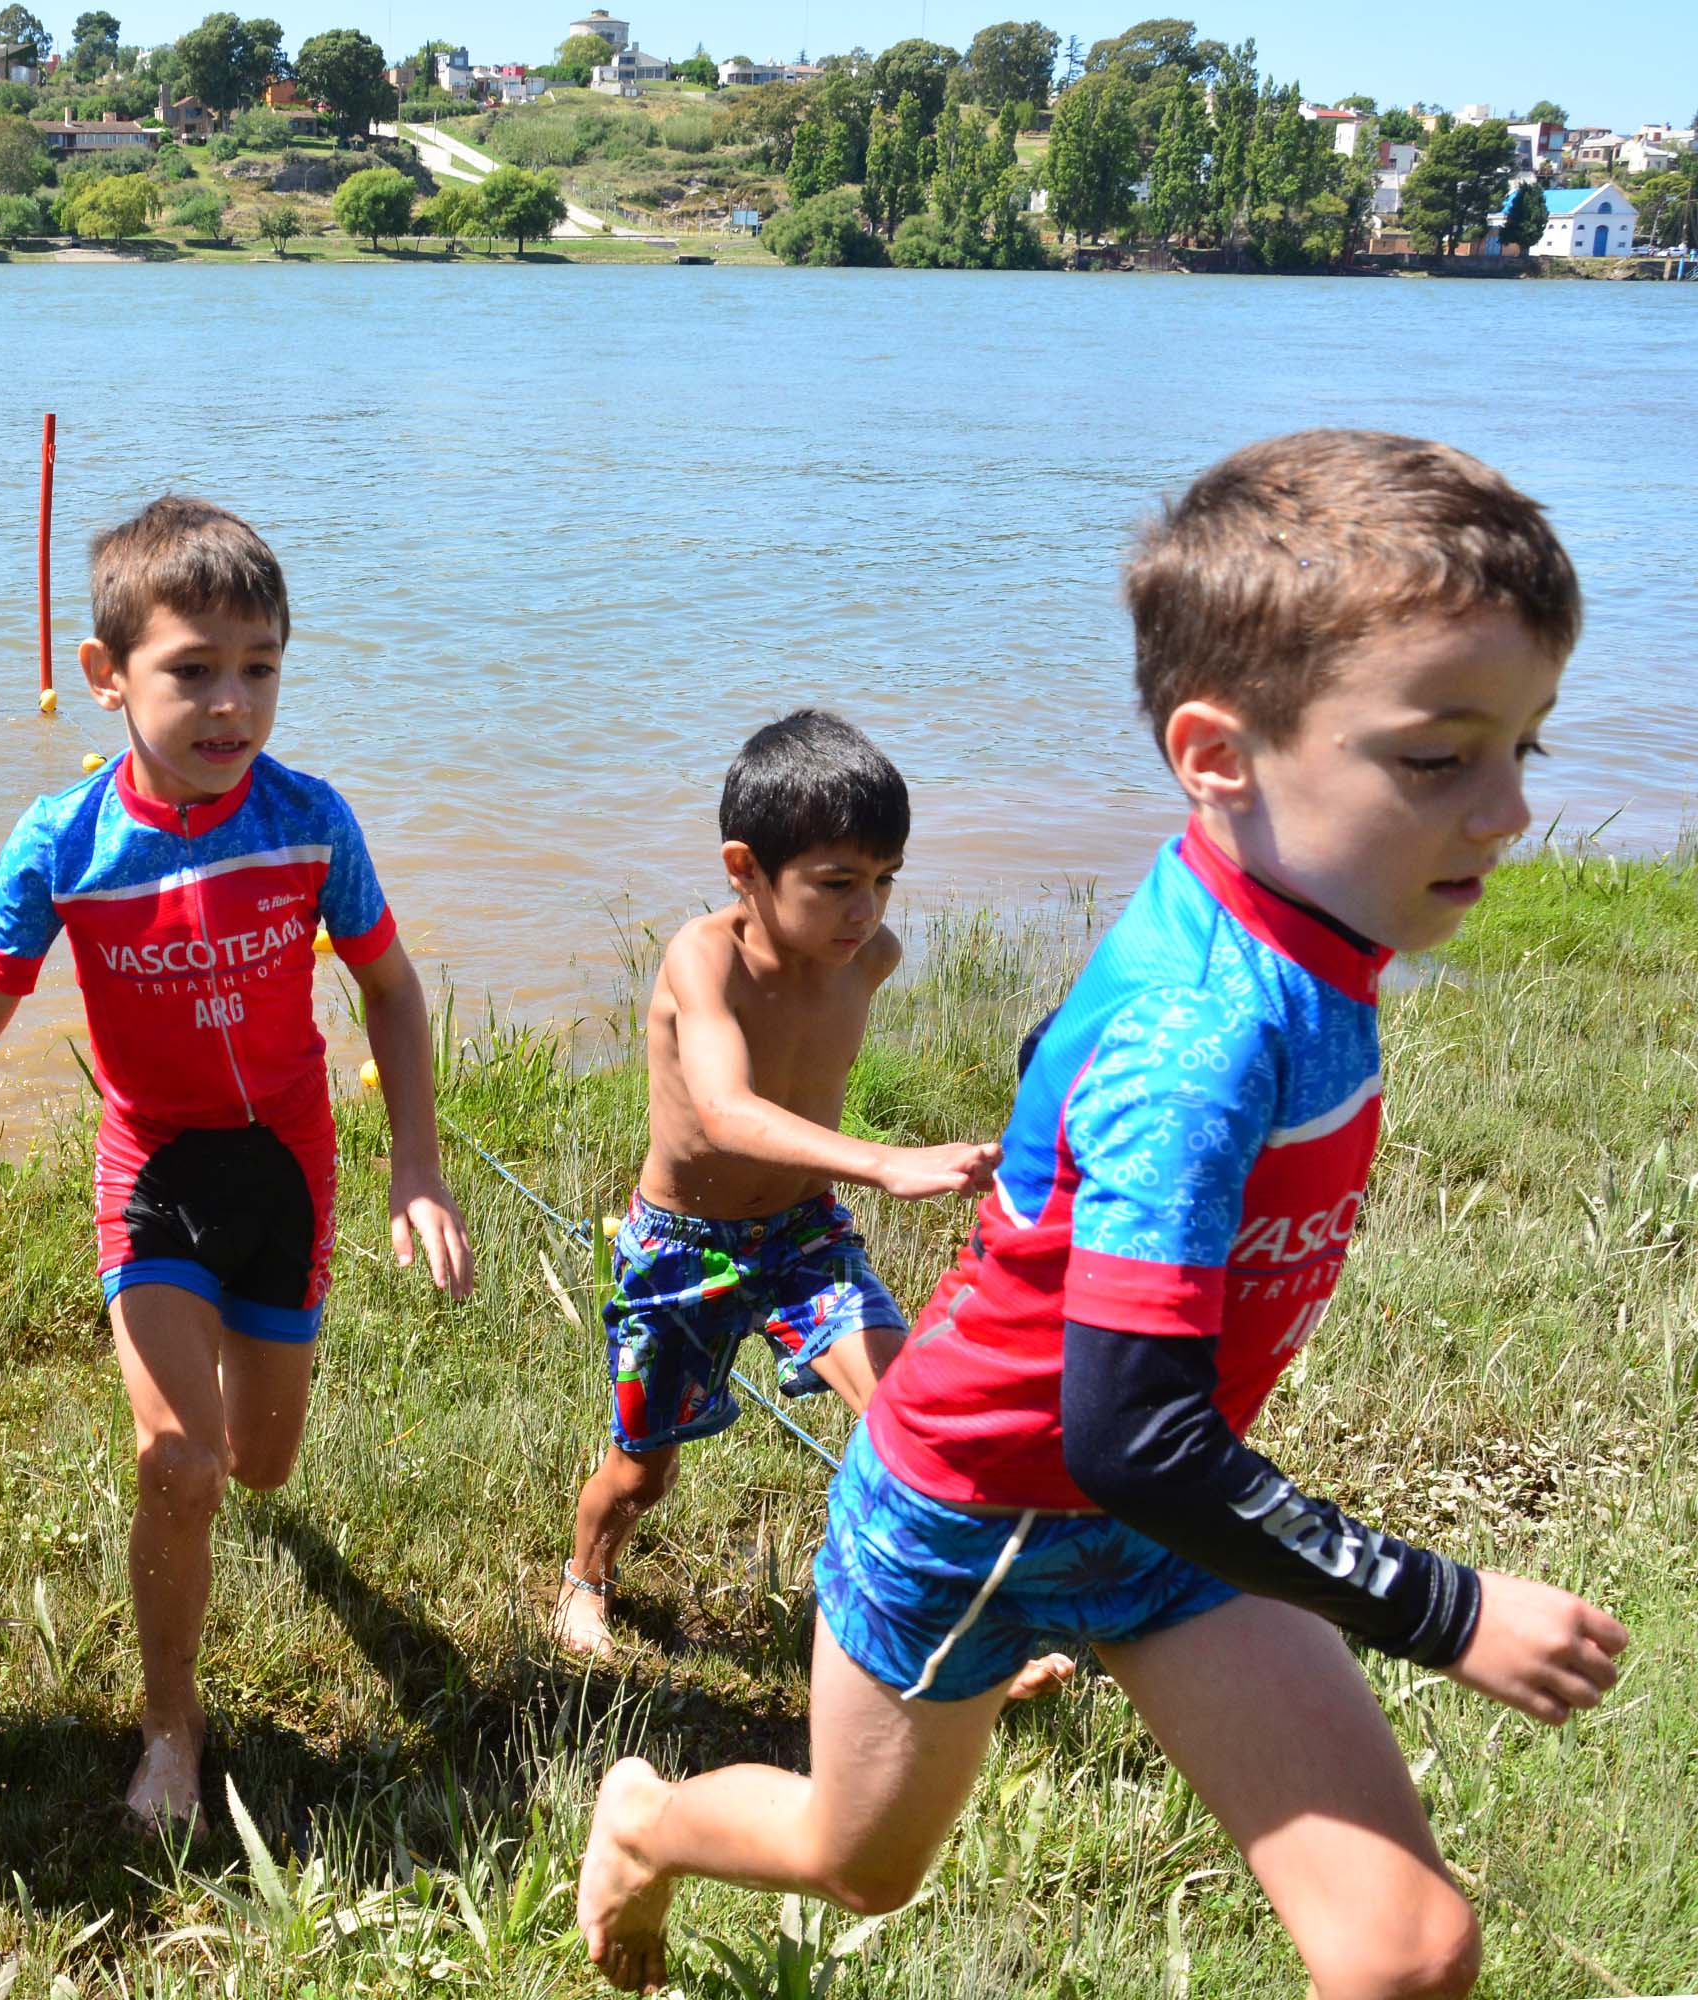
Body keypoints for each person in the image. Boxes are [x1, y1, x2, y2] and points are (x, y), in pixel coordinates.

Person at [577, 432, 1629, 2000]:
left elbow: (1057, 1085)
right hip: (975, 1521)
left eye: (1525, 749)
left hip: (1164, 1527)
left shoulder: (1288, 919)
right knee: (859, 1871)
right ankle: (648, 1824)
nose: (1508, 815)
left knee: (1407, 1957)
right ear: (1219, 758)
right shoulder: (1205, 1035)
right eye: (1439, 758)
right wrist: (1443, 1605)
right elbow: (1133, 1426)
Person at [0, 495, 475, 1832]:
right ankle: (172, 1728)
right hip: (151, 1165)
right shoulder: (63, 840)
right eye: (193, 672)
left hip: (288, 1162)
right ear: (104, 678)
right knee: (179, 1465)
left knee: (261, 1469)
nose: (232, 706)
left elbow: (389, 990)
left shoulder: (310, 821)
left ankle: (234, 1444)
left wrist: (419, 1168)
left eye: (259, 670)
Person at [555, 711, 1032, 1666]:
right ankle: (583, 1583)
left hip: (806, 1236)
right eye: (839, 884)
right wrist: (887, 1159)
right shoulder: (705, 957)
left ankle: (948, 1627)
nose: (870, 912)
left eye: (886, 881)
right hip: (679, 1250)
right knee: (643, 1471)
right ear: (745, 868)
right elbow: (726, 1110)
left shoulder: (871, 962)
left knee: (909, 1415)